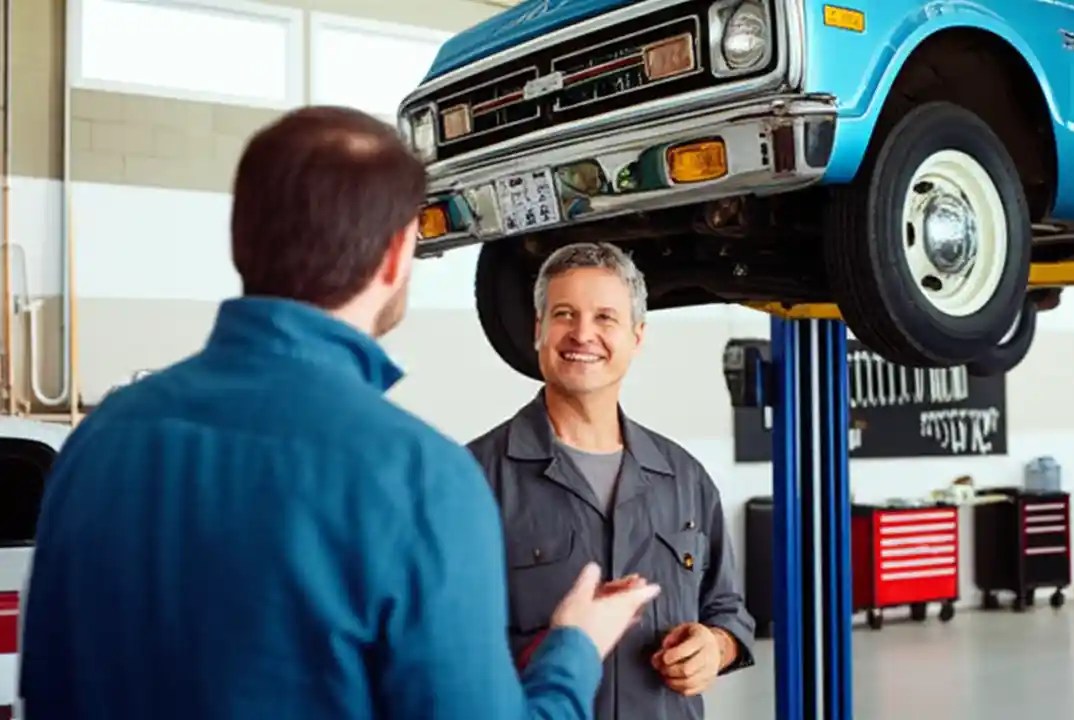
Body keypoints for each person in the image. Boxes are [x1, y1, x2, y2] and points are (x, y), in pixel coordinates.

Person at [17, 106, 661, 720]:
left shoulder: (97, 441)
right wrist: (574, 646)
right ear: (394, 255)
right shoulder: (420, 478)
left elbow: (46, 691)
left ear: (241, 238)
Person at [467, 242, 756, 720]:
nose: (583, 334)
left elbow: (726, 607)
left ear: (636, 337)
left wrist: (716, 646)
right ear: (538, 330)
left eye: (605, 317)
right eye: (564, 314)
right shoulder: (473, 478)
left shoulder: (684, 477)